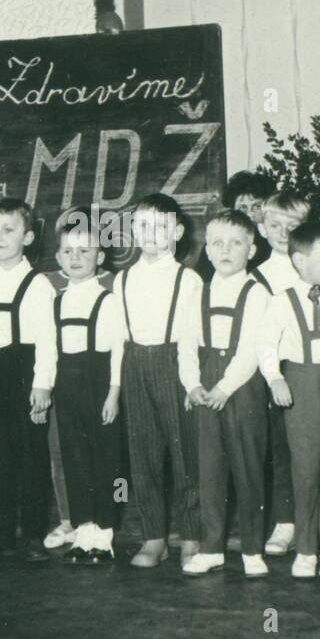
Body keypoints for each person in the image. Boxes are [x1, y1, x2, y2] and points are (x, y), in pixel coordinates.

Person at [255, 220, 320, 579]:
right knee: (304, 471)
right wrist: (275, 378)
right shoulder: (282, 301)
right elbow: (266, 344)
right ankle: (305, 549)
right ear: (300, 261)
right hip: (300, 384)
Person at [0, 198, 57, 562]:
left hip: (26, 371)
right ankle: (1, 532)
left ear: (28, 236)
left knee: (31, 456)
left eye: (8, 230)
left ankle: (34, 533)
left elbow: (49, 340)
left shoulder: (38, 285)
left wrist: (43, 384)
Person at [116, 193, 203, 568]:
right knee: (143, 455)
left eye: (160, 226)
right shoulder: (123, 278)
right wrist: (114, 388)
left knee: (187, 456)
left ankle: (193, 536)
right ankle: (153, 537)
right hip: (135, 365)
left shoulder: (189, 279)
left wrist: (190, 383)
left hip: (174, 365)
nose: (151, 234)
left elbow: (191, 338)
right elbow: (118, 338)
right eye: (143, 225)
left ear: (177, 232)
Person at [182, 210, 270, 577]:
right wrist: (192, 384)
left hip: (242, 385)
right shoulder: (199, 290)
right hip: (206, 380)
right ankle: (212, 547)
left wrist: (224, 387)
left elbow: (251, 349)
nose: (225, 250)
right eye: (217, 243)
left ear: (251, 249)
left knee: (247, 469)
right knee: (210, 470)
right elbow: (185, 343)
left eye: (236, 243)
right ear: (207, 247)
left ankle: (252, 549)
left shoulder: (257, 292)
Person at [52, 216, 124, 564]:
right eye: (68, 251)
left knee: (106, 460)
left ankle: (105, 533)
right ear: (58, 258)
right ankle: (83, 533)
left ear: (100, 257)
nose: (75, 257)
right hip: (67, 384)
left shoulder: (108, 300)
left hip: (99, 383)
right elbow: (49, 351)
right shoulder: (57, 301)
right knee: (75, 458)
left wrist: (113, 393)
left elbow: (118, 350)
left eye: (85, 250)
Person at [252, 189, 311, 557]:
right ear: (262, 227)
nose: (282, 231)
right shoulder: (257, 274)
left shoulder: (313, 266)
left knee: (309, 447)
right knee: (279, 450)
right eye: (274, 224)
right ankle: (285, 521)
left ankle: (312, 523)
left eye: (293, 226)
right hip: (272, 370)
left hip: (310, 367)